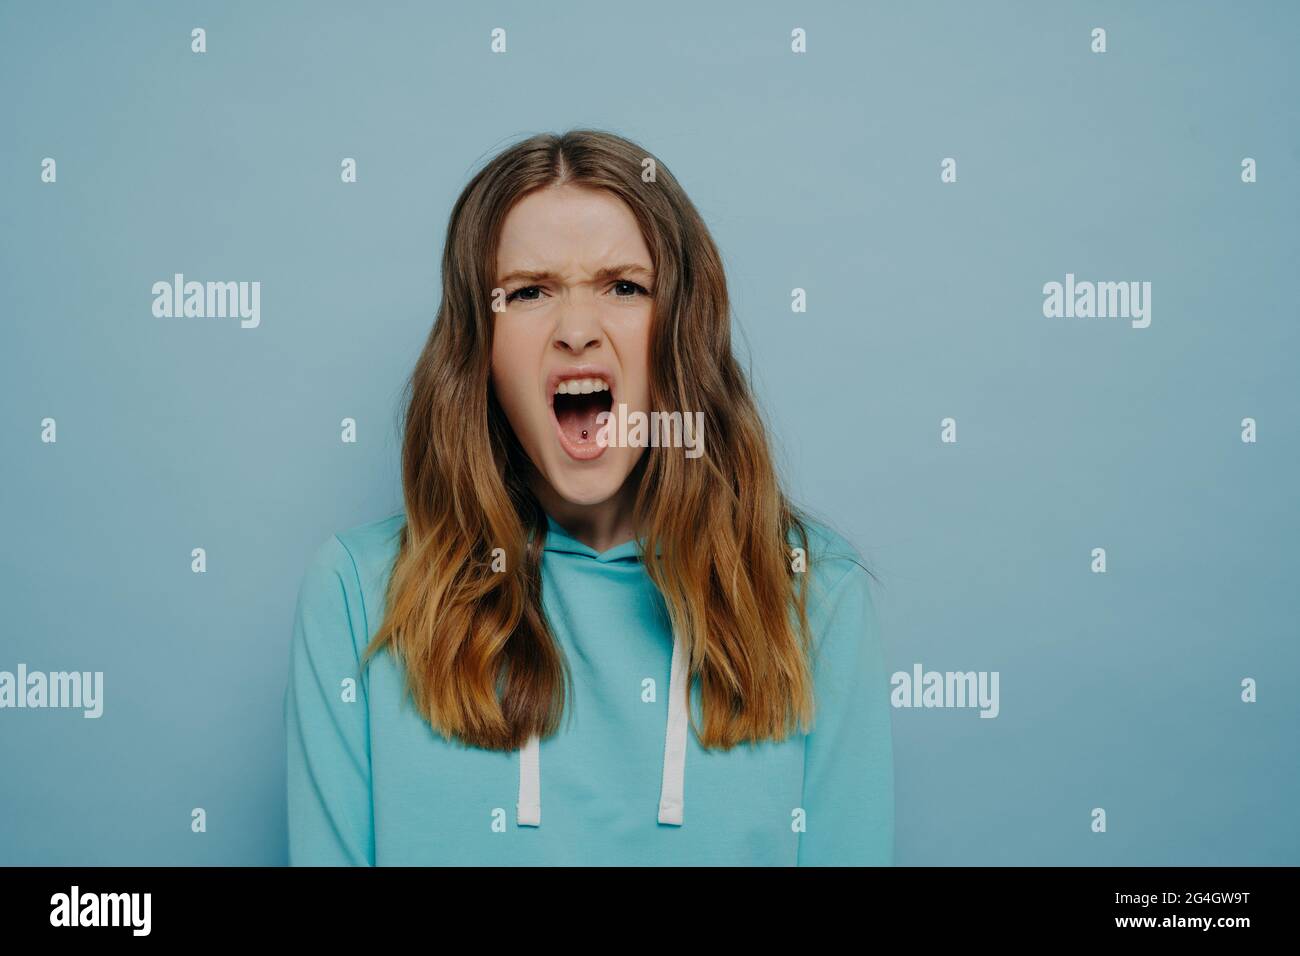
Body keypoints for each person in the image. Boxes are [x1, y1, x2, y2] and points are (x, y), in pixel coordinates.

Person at [284, 128, 894, 865]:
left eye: (625, 287)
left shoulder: (814, 595)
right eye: (531, 292)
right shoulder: (356, 596)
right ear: (479, 353)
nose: (577, 331)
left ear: (681, 338)